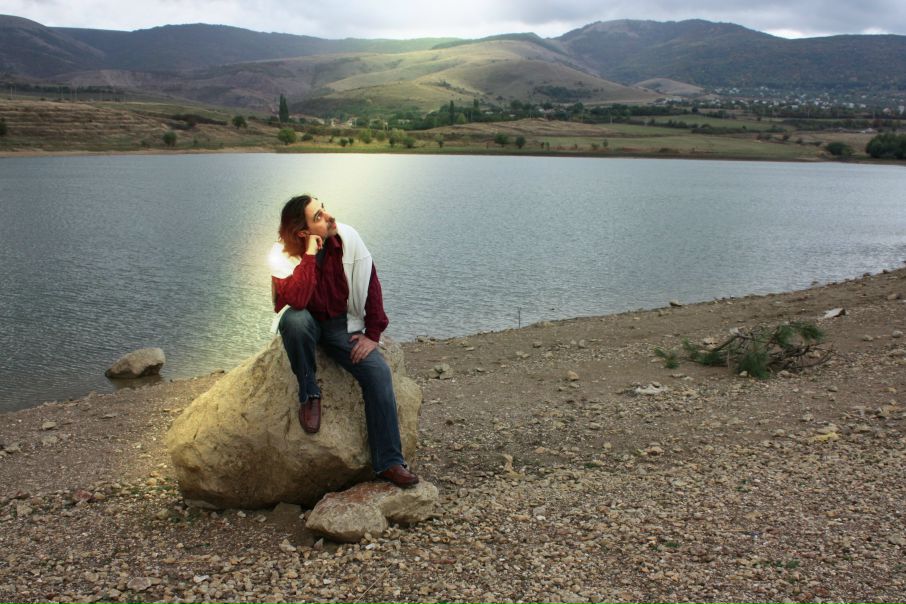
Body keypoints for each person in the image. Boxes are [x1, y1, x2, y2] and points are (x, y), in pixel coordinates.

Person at [268, 194, 419, 488]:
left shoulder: (347, 238)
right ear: (302, 232)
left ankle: (389, 462)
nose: (329, 217)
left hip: (342, 326)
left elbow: (370, 281)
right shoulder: (279, 255)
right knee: (294, 321)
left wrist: (372, 334)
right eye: (319, 217)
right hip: (308, 323)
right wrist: (310, 255)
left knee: (378, 372)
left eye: (324, 209)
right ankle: (310, 394)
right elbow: (296, 300)